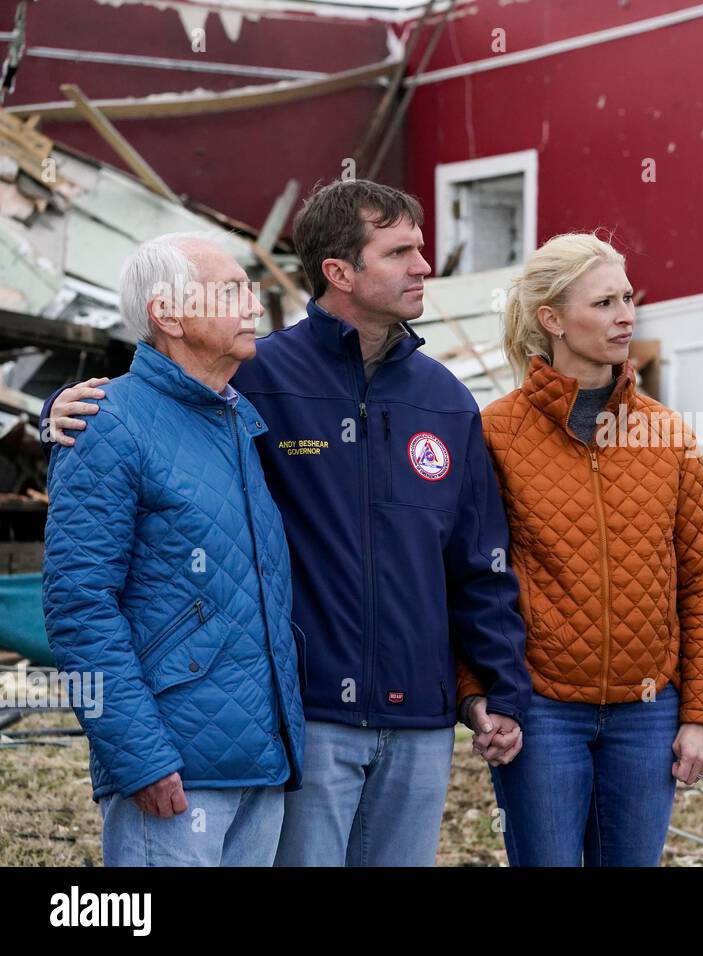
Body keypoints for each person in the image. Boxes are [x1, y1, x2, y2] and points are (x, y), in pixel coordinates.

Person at [43, 181, 531, 866]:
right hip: (262, 735)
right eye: (399, 251)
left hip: (332, 740)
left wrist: (492, 687)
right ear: (340, 271)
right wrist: (61, 412)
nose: (424, 266)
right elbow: (81, 597)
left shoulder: (427, 401)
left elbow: (476, 564)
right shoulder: (249, 385)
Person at [457, 233, 703, 866]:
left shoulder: (668, 434)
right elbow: (471, 579)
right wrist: (479, 699)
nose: (626, 316)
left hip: (648, 710)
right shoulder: (495, 432)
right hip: (541, 709)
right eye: (604, 302)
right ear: (551, 319)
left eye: (628, 299)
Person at [42, 233, 306, 866]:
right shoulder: (106, 422)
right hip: (174, 772)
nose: (254, 301)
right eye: (232, 289)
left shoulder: (238, 416)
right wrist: (141, 757)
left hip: (262, 759)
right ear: (168, 313)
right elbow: (79, 607)